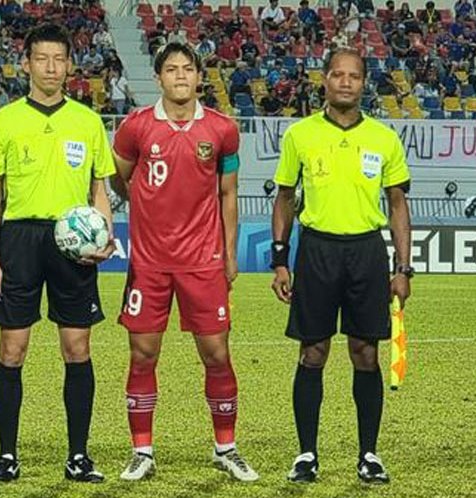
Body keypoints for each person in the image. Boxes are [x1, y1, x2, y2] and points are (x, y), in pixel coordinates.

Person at [109, 42, 259, 483]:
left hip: (203, 262)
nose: (179, 76)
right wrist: (141, 202)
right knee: (143, 355)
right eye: (171, 69)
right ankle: (142, 451)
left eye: (187, 69)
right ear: (158, 78)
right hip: (150, 264)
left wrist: (229, 255)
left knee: (216, 354)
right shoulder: (135, 127)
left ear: (198, 78)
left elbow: (228, 194)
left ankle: (226, 447)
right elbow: (120, 177)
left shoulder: (222, 130)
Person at [270, 48, 412, 484]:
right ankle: (306, 454)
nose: (345, 82)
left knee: (365, 353)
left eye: (353, 76)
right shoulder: (300, 135)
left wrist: (403, 268)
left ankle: (368, 454)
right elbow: (285, 198)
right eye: (338, 74)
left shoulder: (384, 138)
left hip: (367, 254)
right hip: (316, 251)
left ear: (363, 82)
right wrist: (280, 259)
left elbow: (397, 204)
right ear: (325, 80)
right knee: (312, 353)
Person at [0, 23, 116, 484]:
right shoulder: (4, 121)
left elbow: (99, 187)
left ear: (70, 66)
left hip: (73, 245)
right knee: (12, 349)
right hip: (19, 241)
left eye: (59, 59)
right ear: (26, 64)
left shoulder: (88, 121)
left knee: (77, 347)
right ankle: (6, 456)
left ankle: (78, 455)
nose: (52, 68)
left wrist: (105, 235)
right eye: (42, 59)